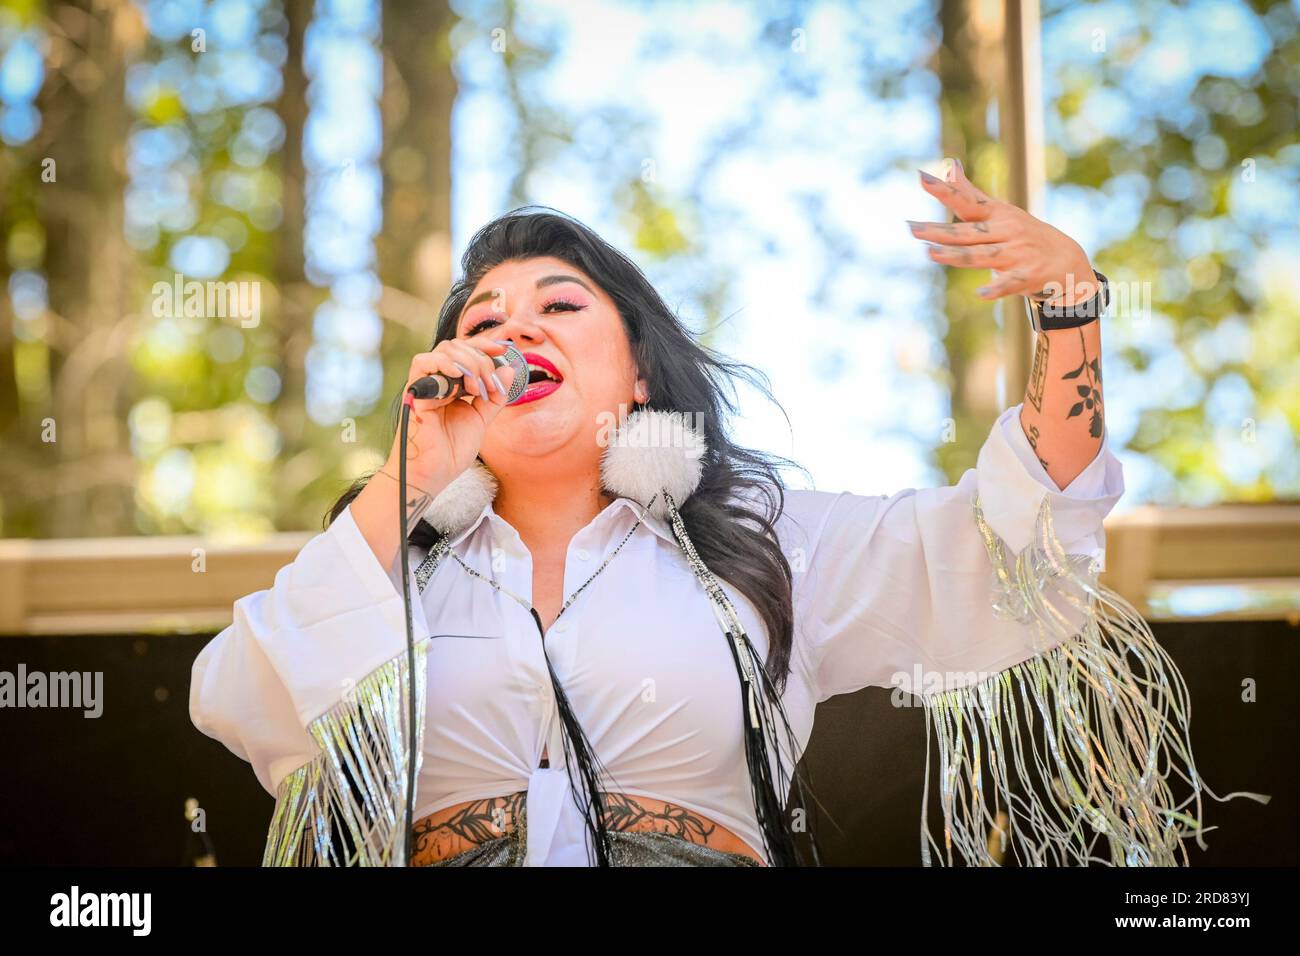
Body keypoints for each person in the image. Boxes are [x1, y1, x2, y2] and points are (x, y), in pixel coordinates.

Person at [189, 163, 1266, 867]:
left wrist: (1068, 309)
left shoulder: (758, 536)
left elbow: (1006, 547)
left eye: (559, 304)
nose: (512, 329)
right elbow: (241, 698)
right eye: (483, 318)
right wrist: (407, 478)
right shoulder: (391, 553)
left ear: (639, 373)